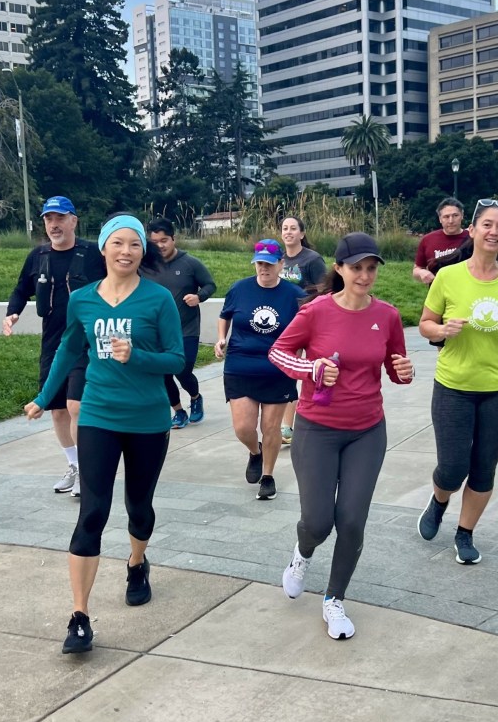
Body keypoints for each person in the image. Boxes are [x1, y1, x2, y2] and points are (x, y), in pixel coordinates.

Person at [23, 215, 184, 654]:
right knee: (92, 511)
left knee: (139, 507)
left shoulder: (158, 300)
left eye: (134, 244)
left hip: (148, 420)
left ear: (142, 252)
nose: (126, 251)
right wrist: (44, 396)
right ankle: (79, 617)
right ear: (104, 250)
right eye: (118, 243)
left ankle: (136, 563)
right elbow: (68, 350)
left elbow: (176, 359)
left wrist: (137, 356)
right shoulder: (83, 301)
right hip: (97, 415)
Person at [269, 232, 414, 640]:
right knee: (317, 522)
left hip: (367, 430)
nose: (365, 276)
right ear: (339, 268)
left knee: (351, 520)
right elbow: (278, 352)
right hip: (317, 427)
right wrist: (310, 370)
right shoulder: (316, 312)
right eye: (357, 268)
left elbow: (394, 365)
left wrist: (404, 372)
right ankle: (302, 554)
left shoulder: (386, 314)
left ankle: (334, 600)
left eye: (371, 269)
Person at [417, 200, 498, 564]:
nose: (494, 231)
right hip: (454, 385)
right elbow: (425, 323)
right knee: (453, 468)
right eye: (487, 224)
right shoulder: (449, 277)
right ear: (472, 230)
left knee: (484, 467)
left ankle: (465, 533)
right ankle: (439, 501)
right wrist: (441, 329)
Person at [4, 196, 105, 499]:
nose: (54, 225)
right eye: (49, 219)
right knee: (58, 410)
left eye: (60, 218)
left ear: (74, 220)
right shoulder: (38, 256)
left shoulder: (92, 254)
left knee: (76, 406)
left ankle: (88, 472)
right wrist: (13, 311)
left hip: (86, 343)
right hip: (52, 343)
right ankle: (74, 466)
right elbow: (21, 288)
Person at [215, 239, 306, 501]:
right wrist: (222, 337)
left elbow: (306, 327)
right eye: (259, 263)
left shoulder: (295, 295)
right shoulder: (240, 288)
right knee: (243, 427)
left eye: (268, 263)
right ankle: (255, 452)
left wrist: (300, 354)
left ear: (281, 264)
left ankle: (268, 475)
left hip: (277, 367)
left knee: (271, 427)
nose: (263, 268)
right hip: (240, 365)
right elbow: (226, 314)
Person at [144, 218, 217, 429]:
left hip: (187, 329)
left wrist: (199, 297)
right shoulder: (145, 266)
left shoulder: (189, 263)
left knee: (182, 370)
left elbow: (210, 284)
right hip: (157, 331)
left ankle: (195, 397)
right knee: (163, 374)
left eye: (164, 240)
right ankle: (178, 411)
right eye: (155, 241)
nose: (160, 245)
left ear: (173, 239)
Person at [278, 215, 327, 446]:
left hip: (309, 321)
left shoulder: (312, 259)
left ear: (302, 233)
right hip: (283, 320)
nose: (288, 232)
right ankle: (287, 424)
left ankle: (288, 425)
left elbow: (325, 291)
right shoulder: (279, 259)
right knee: (288, 369)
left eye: (293, 228)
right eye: (285, 228)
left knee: (300, 371)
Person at [412, 198, 470, 284]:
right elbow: (416, 269)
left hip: (467, 291)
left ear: (462, 215)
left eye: (455, 216)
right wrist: (421, 272)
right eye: (446, 217)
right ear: (440, 219)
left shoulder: (472, 238)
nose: (451, 221)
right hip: (438, 292)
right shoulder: (427, 240)